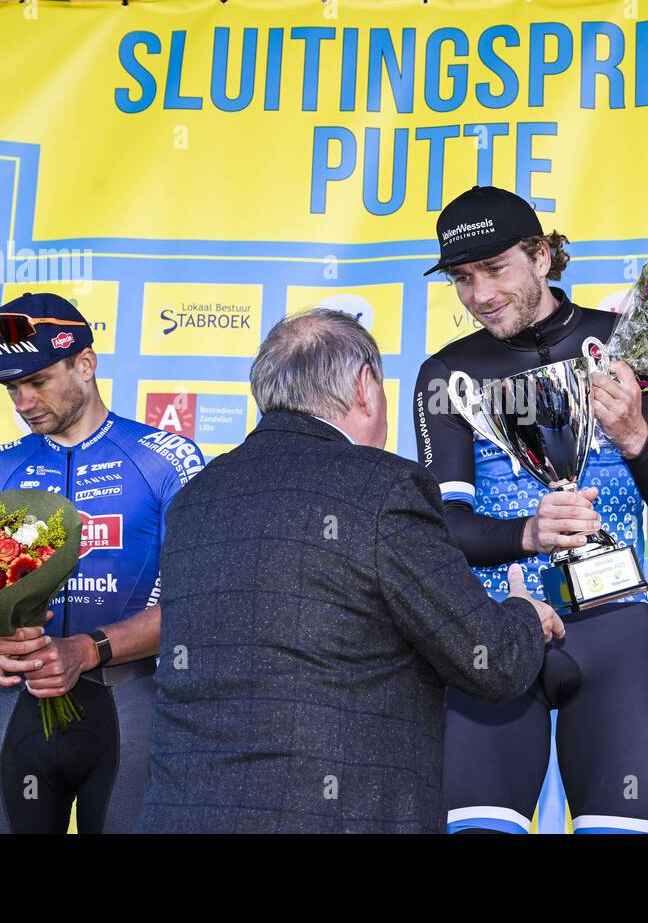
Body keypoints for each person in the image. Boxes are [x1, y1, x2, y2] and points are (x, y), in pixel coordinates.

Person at [139, 308, 559, 834]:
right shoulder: (386, 488)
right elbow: (492, 662)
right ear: (366, 386)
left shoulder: (196, 497)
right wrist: (524, 613)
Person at [414, 185, 648, 834]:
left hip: (613, 638)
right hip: (494, 637)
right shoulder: (448, 374)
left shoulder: (634, 347)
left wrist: (634, 436)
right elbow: (445, 531)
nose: (481, 294)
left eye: (496, 269)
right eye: (462, 279)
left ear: (543, 256)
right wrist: (529, 531)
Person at [0, 292, 205, 833]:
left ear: (86, 365)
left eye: (38, 380)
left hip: (128, 706)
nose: (23, 401)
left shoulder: (167, 459)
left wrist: (87, 650)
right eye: (11, 387)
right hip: (19, 707)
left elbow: (195, 604)